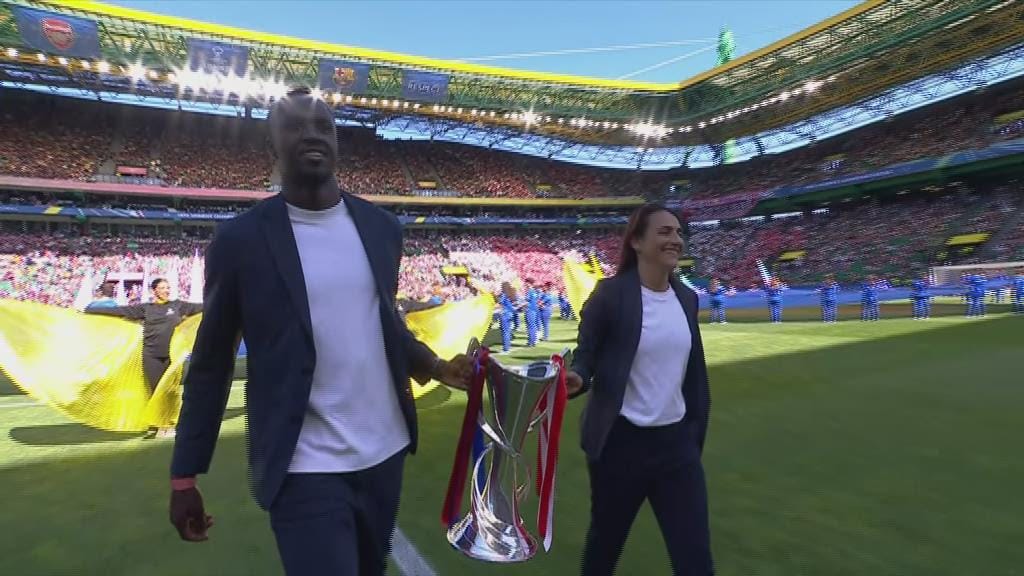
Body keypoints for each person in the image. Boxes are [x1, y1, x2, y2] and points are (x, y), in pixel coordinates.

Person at [167, 87, 472, 576]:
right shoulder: (240, 241)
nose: (312, 135)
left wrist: (434, 364)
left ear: (337, 141)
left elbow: (383, 321)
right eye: (295, 127)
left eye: (323, 127)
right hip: (302, 464)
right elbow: (212, 361)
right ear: (272, 146)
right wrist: (185, 475)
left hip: (384, 452)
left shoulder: (381, 227)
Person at [566, 204, 712, 576]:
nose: (675, 240)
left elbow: (694, 373)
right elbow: (587, 353)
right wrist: (578, 376)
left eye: (678, 232)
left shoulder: (687, 299)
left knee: (695, 561)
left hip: (677, 449)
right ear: (636, 241)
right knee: (604, 550)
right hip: (621, 447)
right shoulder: (611, 296)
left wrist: (692, 437)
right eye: (664, 232)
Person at [86, 277, 203, 438]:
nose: (166, 290)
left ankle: (166, 425)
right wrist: (92, 310)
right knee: (155, 391)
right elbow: (120, 311)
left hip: (172, 356)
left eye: (168, 287)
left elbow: (201, 308)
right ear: (154, 291)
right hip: (151, 356)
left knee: (169, 391)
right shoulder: (145, 309)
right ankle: (157, 424)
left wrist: (226, 301)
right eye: (162, 288)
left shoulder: (177, 306)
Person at [497, 282, 517, 353]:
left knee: (505, 332)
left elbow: (500, 304)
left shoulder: (504, 295)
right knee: (508, 331)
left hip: (504, 314)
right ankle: (507, 347)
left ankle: (506, 348)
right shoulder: (510, 294)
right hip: (510, 314)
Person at [524, 278, 540, 347]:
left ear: (529, 283)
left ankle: (530, 342)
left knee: (530, 326)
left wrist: (520, 306)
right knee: (533, 326)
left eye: (526, 283)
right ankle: (533, 341)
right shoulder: (534, 291)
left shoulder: (529, 291)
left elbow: (527, 302)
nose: (525, 284)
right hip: (534, 310)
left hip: (530, 310)